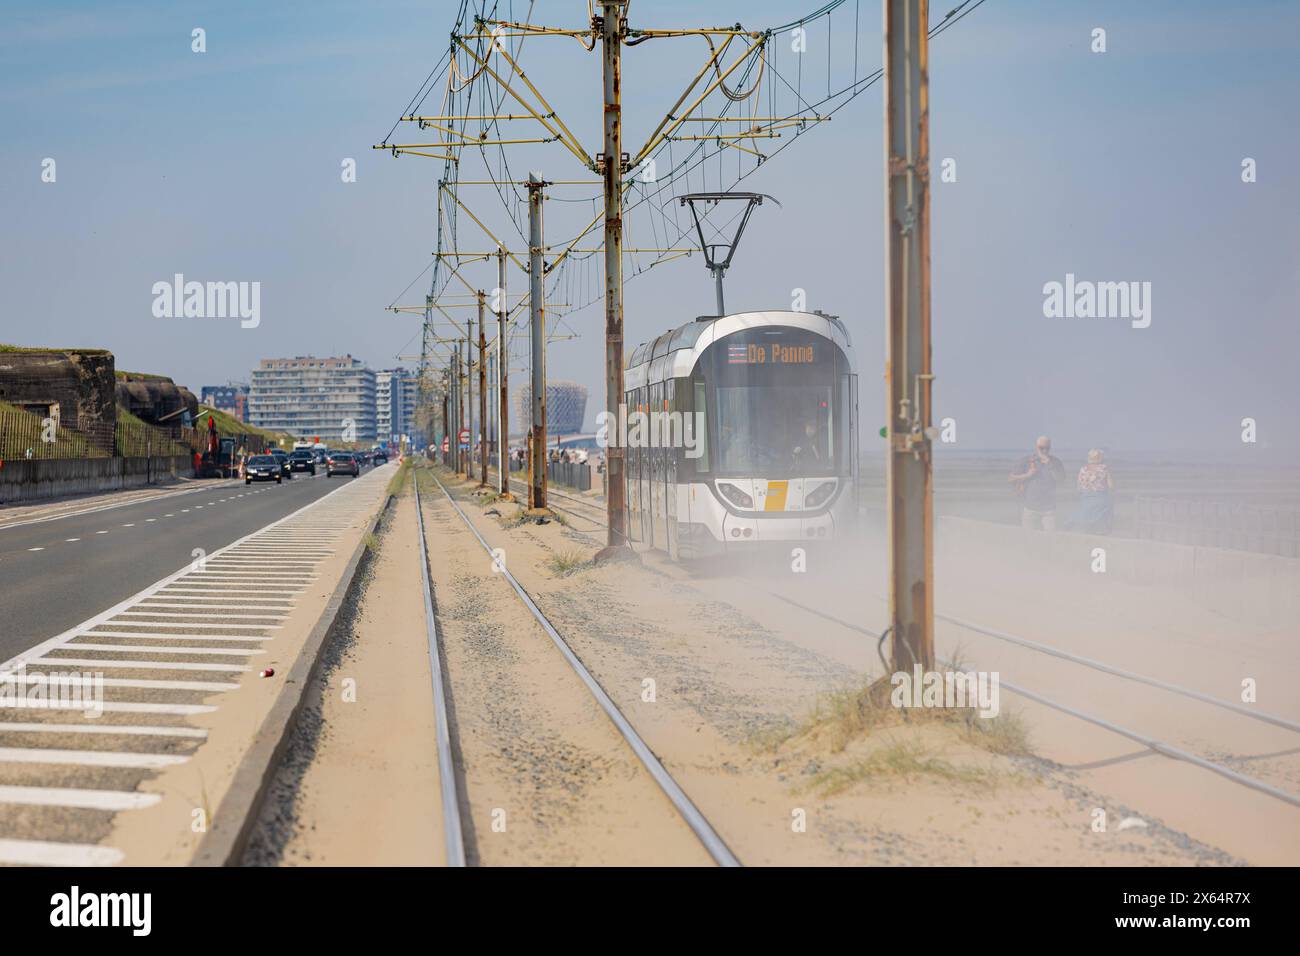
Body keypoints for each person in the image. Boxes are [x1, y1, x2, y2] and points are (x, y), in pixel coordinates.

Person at [1009, 435, 1066, 531]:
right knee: (1029, 537)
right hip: (1030, 506)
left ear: (1050, 447)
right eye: (1041, 448)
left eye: (1047, 448)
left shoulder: (1056, 462)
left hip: (1049, 508)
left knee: (1051, 537)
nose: (1044, 451)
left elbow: (1061, 480)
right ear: (1036, 447)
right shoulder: (1026, 461)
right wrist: (1027, 475)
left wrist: (1050, 465)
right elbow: (1011, 478)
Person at [1075, 448, 1115, 534]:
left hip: (1086, 497)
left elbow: (1078, 485)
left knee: (1086, 513)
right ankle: (1105, 530)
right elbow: (1111, 486)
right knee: (1108, 509)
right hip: (1101, 496)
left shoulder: (1083, 469)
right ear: (1100, 458)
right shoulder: (1104, 468)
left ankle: (1089, 529)